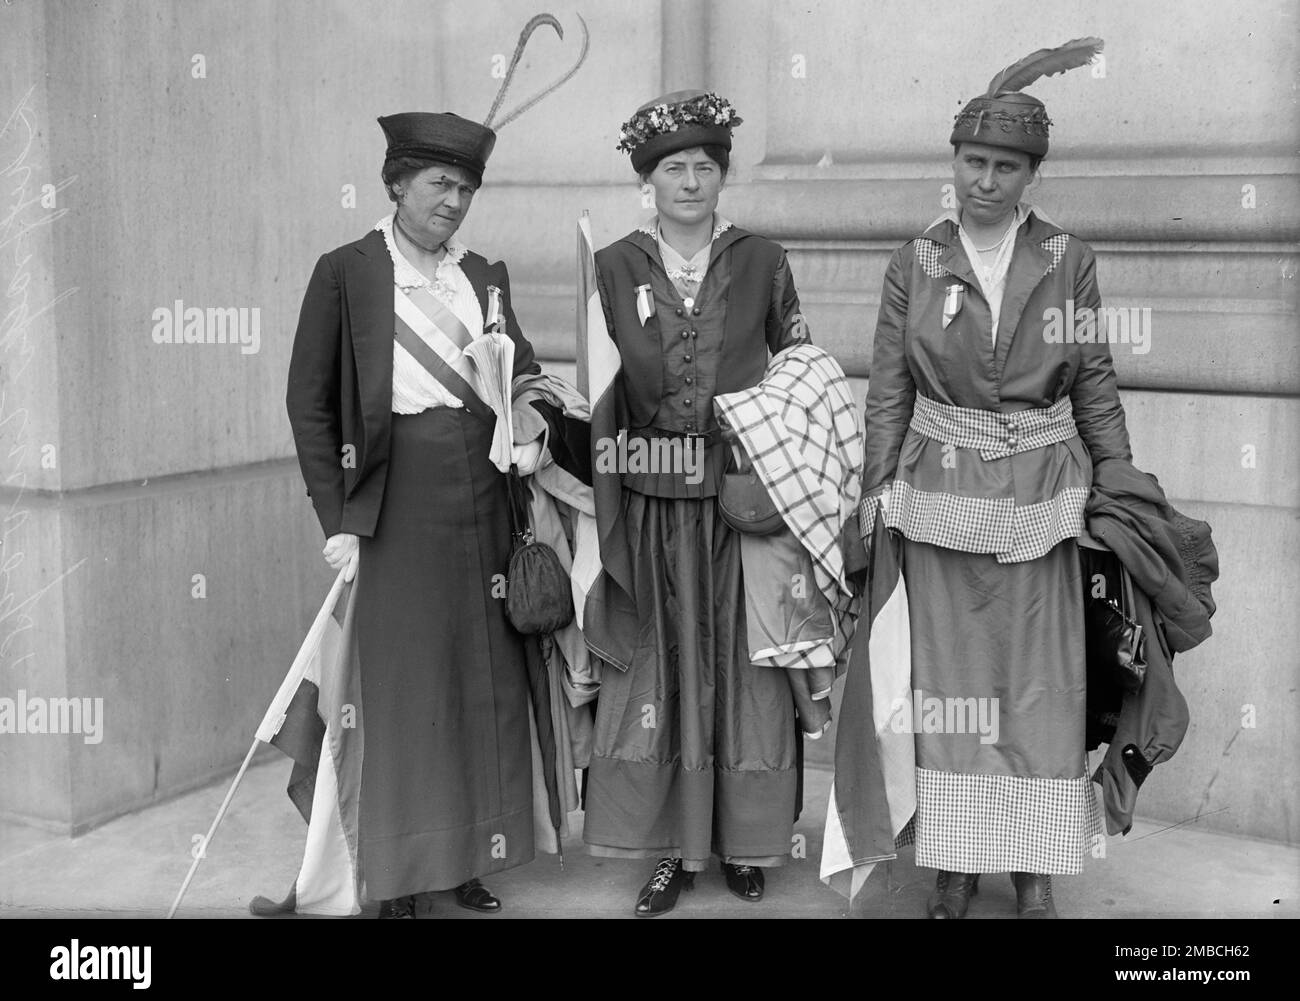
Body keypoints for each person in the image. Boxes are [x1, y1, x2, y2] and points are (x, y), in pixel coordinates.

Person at [860, 39, 1131, 918]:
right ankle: (952, 865)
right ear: (954, 165)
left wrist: (1117, 484)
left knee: (1040, 688)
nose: (985, 180)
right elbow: (890, 385)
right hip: (936, 493)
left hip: (1045, 498)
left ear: (1030, 175)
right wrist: (873, 489)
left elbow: (1091, 376)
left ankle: (1033, 869)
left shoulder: (1067, 259)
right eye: (973, 161)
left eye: (1004, 166)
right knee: (947, 691)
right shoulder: (915, 261)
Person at [286, 110, 547, 918]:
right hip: (394, 499)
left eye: (466, 188)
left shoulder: (484, 277)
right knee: (402, 689)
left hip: (482, 493)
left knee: (480, 682)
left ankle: (467, 855)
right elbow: (310, 405)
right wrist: (338, 520)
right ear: (396, 183)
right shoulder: (347, 272)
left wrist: (532, 419)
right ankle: (398, 873)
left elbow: (525, 374)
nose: (454, 201)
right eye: (440, 183)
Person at [581, 90, 811, 916]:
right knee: (661, 671)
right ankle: (670, 853)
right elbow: (596, 391)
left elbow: (801, 367)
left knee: (746, 671)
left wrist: (789, 467)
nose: (689, 181)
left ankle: (745, 845)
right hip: (650, 507)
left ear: (724, 175)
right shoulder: (610, 265)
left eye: (703, 167)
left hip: (741, 505)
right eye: (672, 168)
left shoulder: (764, 260)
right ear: (648, 179)